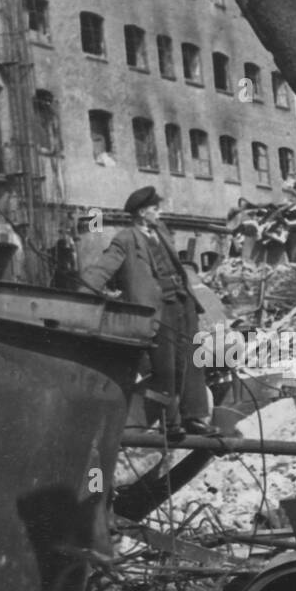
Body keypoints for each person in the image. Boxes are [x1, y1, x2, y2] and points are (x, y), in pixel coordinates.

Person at [81, 186, 216, 441]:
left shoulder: (161, 232)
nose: (160, 213)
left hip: (182, 304)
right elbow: (102, 269)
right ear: (143, 213)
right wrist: (84, 292)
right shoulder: (125, 239)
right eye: (155, 209)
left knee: (192, 361)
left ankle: (195, 418)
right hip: (157, 310)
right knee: (167, 368)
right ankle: (172, 423)